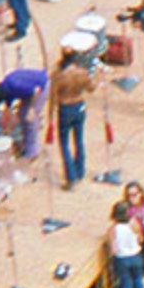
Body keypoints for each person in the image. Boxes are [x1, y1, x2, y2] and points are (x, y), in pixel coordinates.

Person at [49, 47, 96, 189]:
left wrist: (50, 116)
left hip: (65, 107)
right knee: (79, 140)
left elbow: (53, 96)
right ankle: (80, 171)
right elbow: (91, 88)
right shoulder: (82, 72)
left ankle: (71, 177)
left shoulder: (58, 74)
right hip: (79, 105)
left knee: (64, 143)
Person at [0, 67, 47, 158]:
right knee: (22, 115)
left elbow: (36, 91)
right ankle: (26, 144)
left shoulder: (15, 85)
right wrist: (6, 127)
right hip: (29, 92)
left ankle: (32, 151)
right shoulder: (5, 89)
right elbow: (7, 109)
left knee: (29, 120)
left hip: (41, 87)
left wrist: (31, 109)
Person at [109, 200, 144, 288]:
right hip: (135, 255)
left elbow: (113, 249)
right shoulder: (133, 223)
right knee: (138, 281)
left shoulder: (113, 229)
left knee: (126, 285)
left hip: (122, 259)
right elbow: (141, 239)